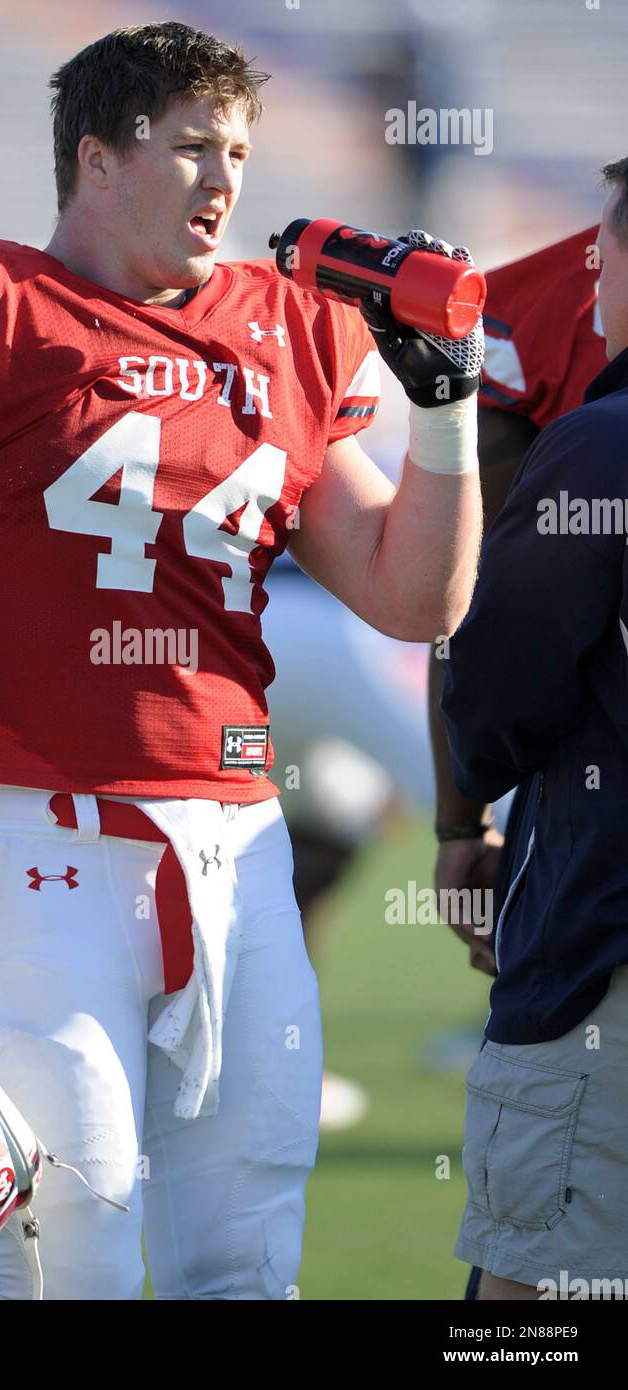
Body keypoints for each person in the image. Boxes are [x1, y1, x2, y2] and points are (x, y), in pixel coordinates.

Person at [0, 21, 482, 1299]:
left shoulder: (280, 334)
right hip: (37, 843)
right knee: (76, 1257)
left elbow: (414, 599)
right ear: (95, 161)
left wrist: (443, 415)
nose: (224, 181)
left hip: (242, 847)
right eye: (189, 148)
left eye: (237, 150)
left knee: (244, 1259)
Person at [442, 157, 628, 1301]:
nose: (593, 263)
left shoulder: (601, 444)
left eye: (608, 239)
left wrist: (467, 810)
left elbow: (495, 680)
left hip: (603, 942)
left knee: (530, 1302)